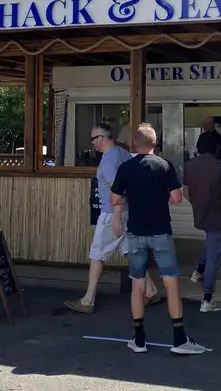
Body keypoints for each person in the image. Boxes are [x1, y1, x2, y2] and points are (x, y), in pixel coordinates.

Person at [111, 123, 206, 355]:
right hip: (161, 231)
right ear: (155, 143)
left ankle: (139, 338)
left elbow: (115, 199)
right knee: (170, 282)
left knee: (138, 284)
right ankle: (179, 338)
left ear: (135, 144)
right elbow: (176, 198)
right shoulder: (164, 165)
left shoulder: (125, 168)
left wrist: (120, 213)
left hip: (135, 232)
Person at [65, 123, 160, 314]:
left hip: (112, 213)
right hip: (127, 211)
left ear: (101, 138)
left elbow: (117, 190)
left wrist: (116, 217)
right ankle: (151, 290)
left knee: (97, 255)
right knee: (131, 253)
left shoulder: (108, 161)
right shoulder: (123, 153)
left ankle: (88, 300)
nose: (92, 143)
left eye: (93, 138)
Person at [184, 134, 221, 312]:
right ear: (216, 148)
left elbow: (184, 192)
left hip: (201, 215)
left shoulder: (190, 166)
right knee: (214, 256)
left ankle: (198, 272)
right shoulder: (220, 166)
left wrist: (197, 205)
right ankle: (207, 300)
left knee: (210, 244)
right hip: (217, 216)